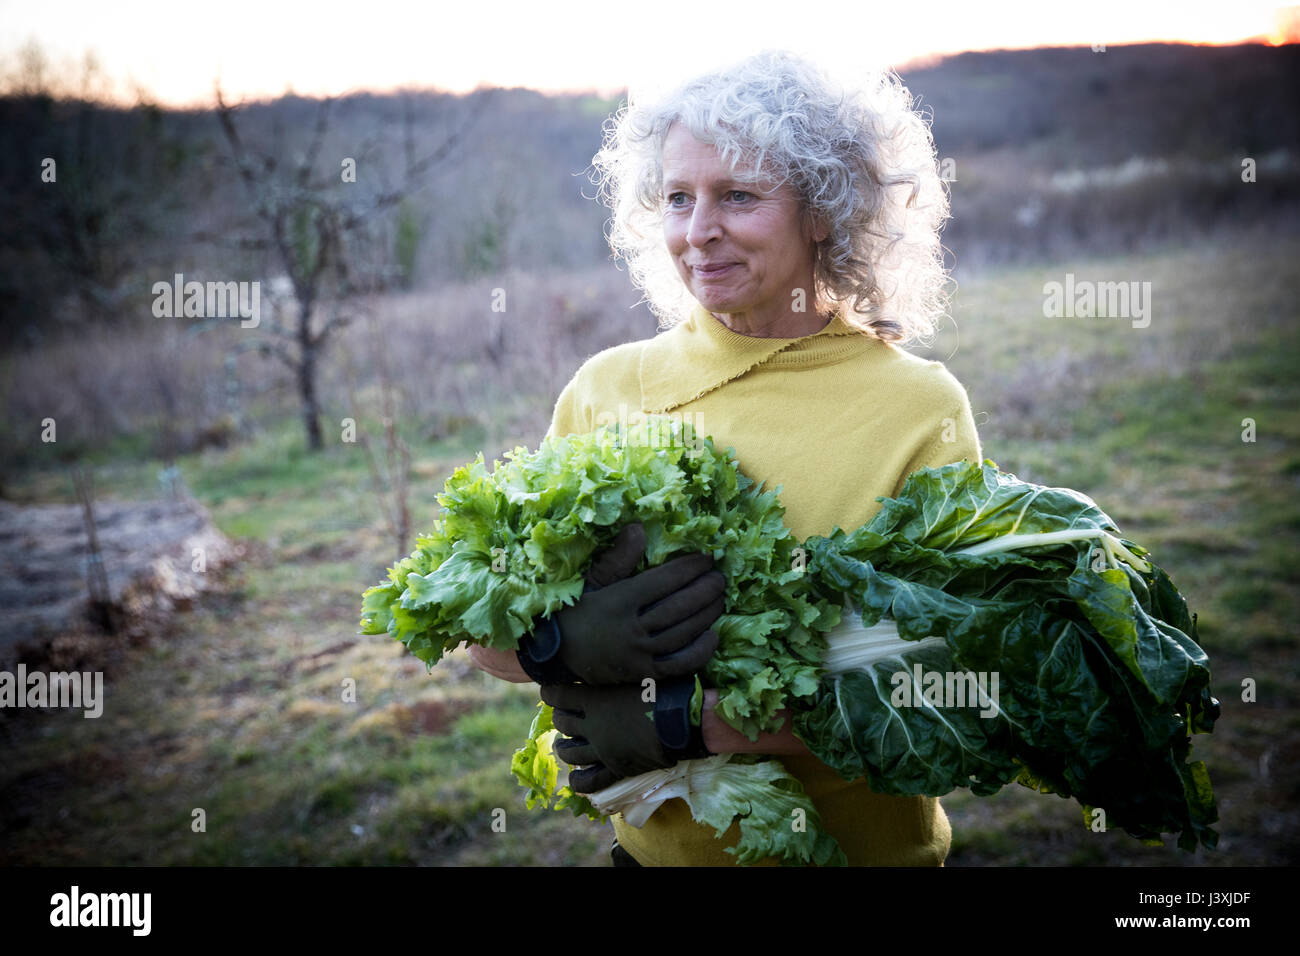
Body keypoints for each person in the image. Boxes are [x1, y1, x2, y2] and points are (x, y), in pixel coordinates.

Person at [468, 49, 982, 866]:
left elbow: (944, 688)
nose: (698, 230)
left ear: (823, 210)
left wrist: (682, 722)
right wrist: (554, 647)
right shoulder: (607, 388)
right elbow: (474, 627)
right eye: (678, 198)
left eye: (737, 196)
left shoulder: (917, 408)